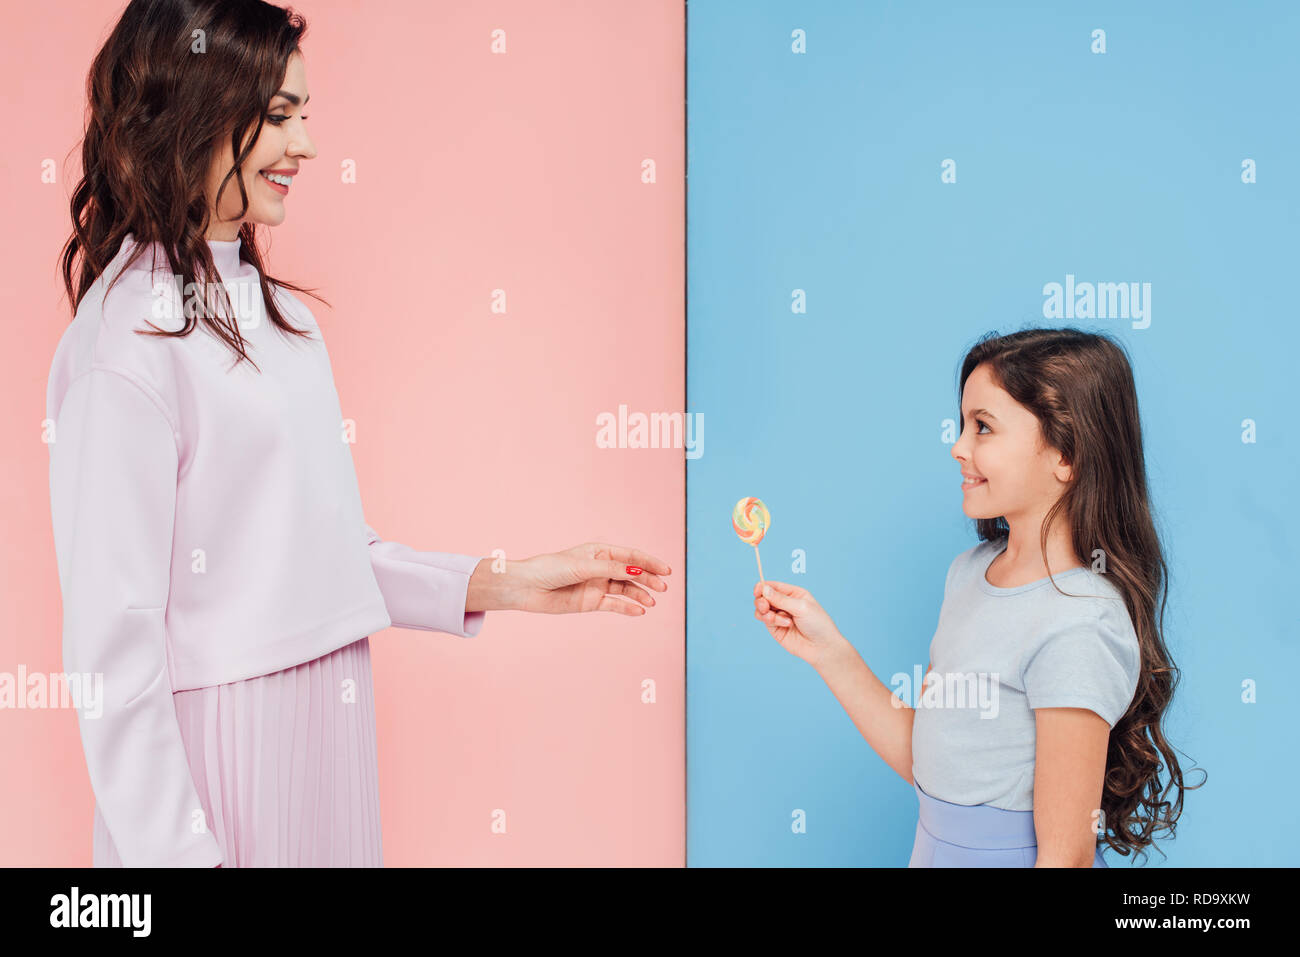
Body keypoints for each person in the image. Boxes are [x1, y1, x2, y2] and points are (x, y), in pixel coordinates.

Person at [47, 0, 670, 867]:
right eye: (277, 117)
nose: (303, 145)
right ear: (189, 110)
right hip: (219, 764)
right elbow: (112, 653)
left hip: (326, 734)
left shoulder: (285, 319)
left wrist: (515, 583)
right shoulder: (124, 345)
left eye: (305, 115)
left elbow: (321, 554)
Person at [753, 329, 1201, 866]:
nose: (958, 446)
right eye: (963, 424)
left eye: (983, 427)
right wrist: (828, 650)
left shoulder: (1081, 624)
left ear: (1067, 454)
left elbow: (1067, 857)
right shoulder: (968, 574)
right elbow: (936, 760)